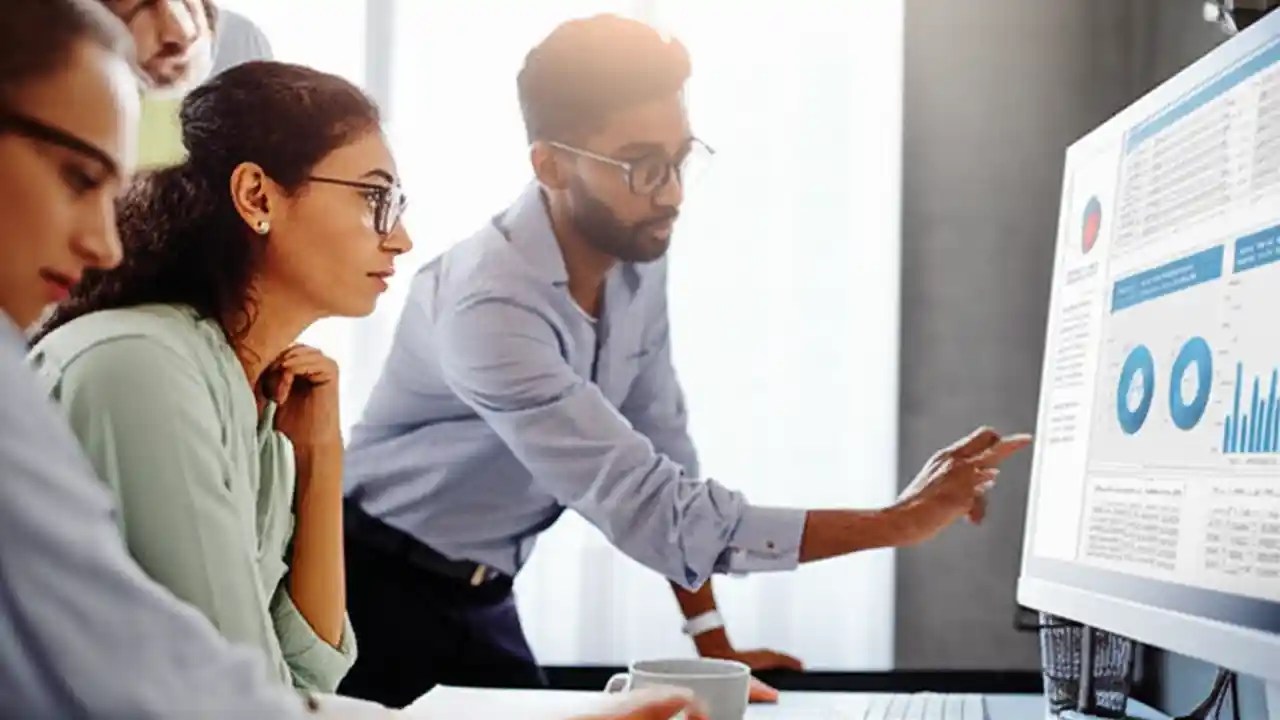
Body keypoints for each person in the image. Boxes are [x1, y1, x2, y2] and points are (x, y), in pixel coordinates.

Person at [0, 4, 709, 718]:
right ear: (256, 197)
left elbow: (310, 670)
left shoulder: (258, 395)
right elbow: (226, 700)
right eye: (375, 199)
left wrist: (320, 459)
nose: (400, 239)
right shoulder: (142, 367)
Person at [338, 13, 1033, 708]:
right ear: (549, 164)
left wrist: (714, 646)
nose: (670, 193)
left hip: (483, 596)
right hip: (369, 590)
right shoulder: (487, 305)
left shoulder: (633, 257)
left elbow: (661, 450)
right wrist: (896, 522)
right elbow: (652, 509)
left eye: (679, 158)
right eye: (641, 165)